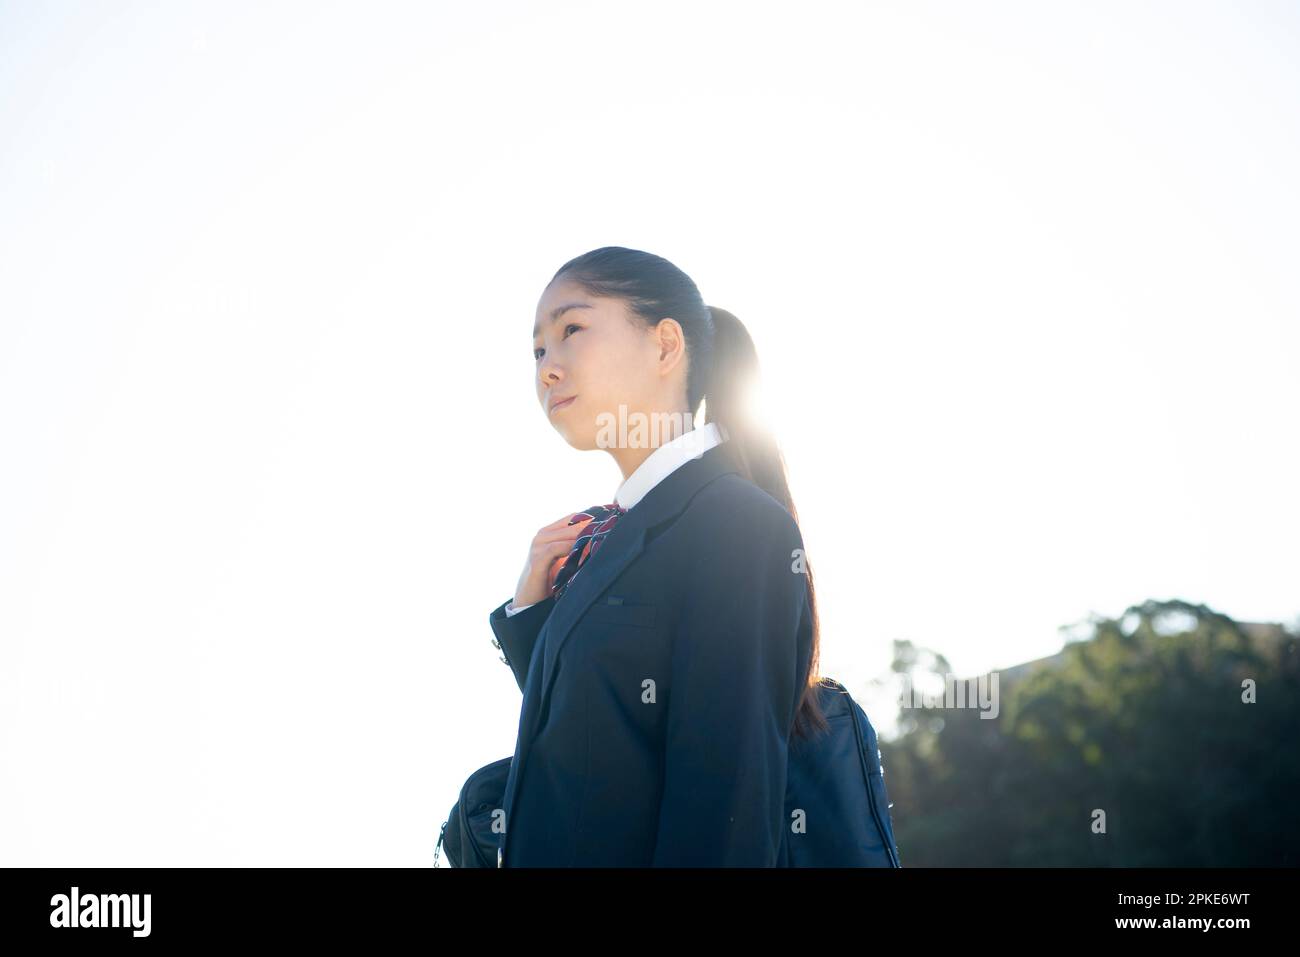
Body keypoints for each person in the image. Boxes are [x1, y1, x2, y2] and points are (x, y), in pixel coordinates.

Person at [488, 245, 827, 866]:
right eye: (538, 349)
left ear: (666, 344)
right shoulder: (605, 543)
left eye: (572, 330)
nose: (547, 368)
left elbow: (723, 815)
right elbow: (598, 754)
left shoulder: (732, 524)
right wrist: (535, 620)